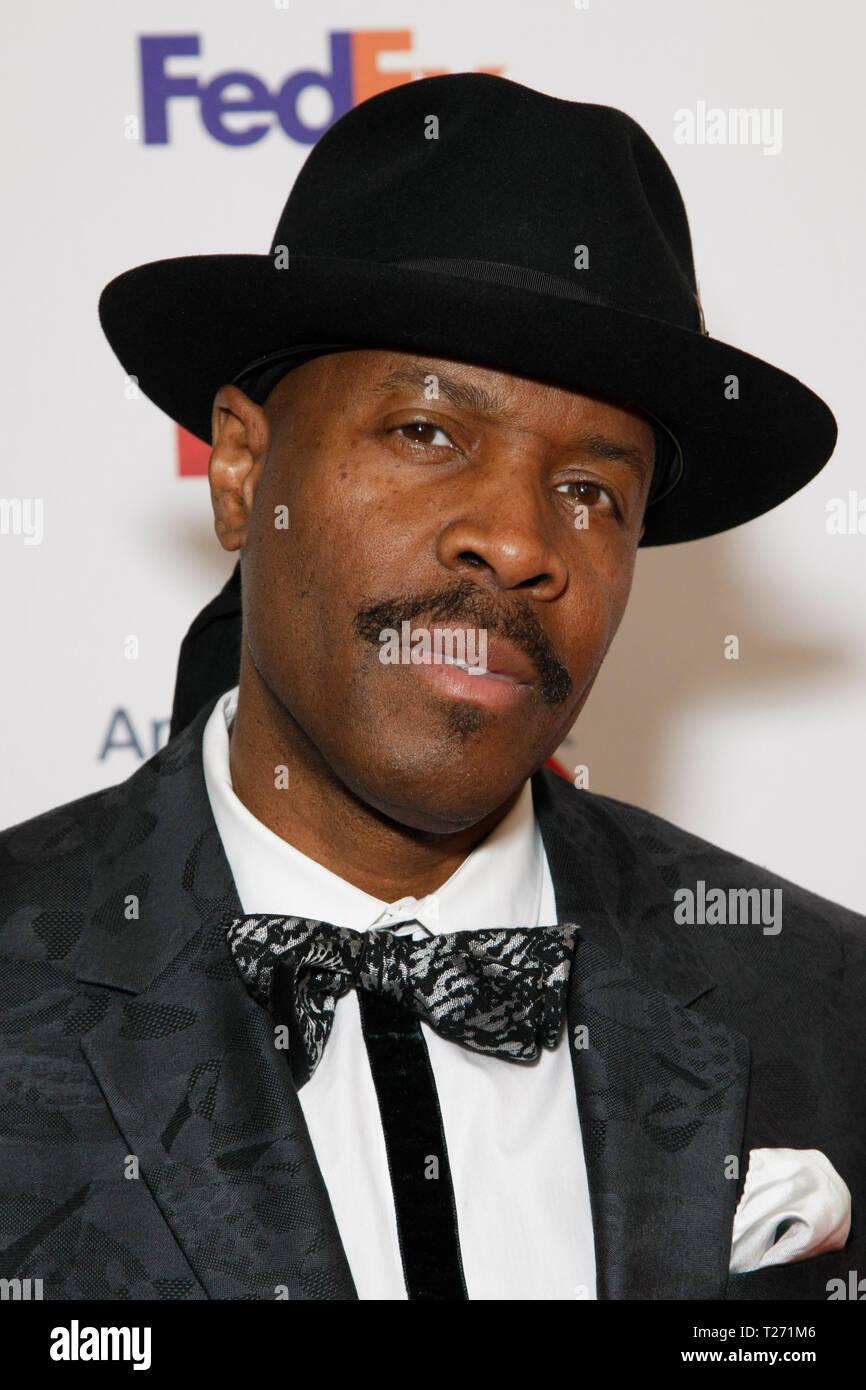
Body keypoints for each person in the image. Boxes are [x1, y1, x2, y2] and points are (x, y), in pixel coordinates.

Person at [1, 72, 862, 1302]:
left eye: (590, 491)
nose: (517, 540)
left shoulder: (825, 1009)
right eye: (424, 431)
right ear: (242, 469)